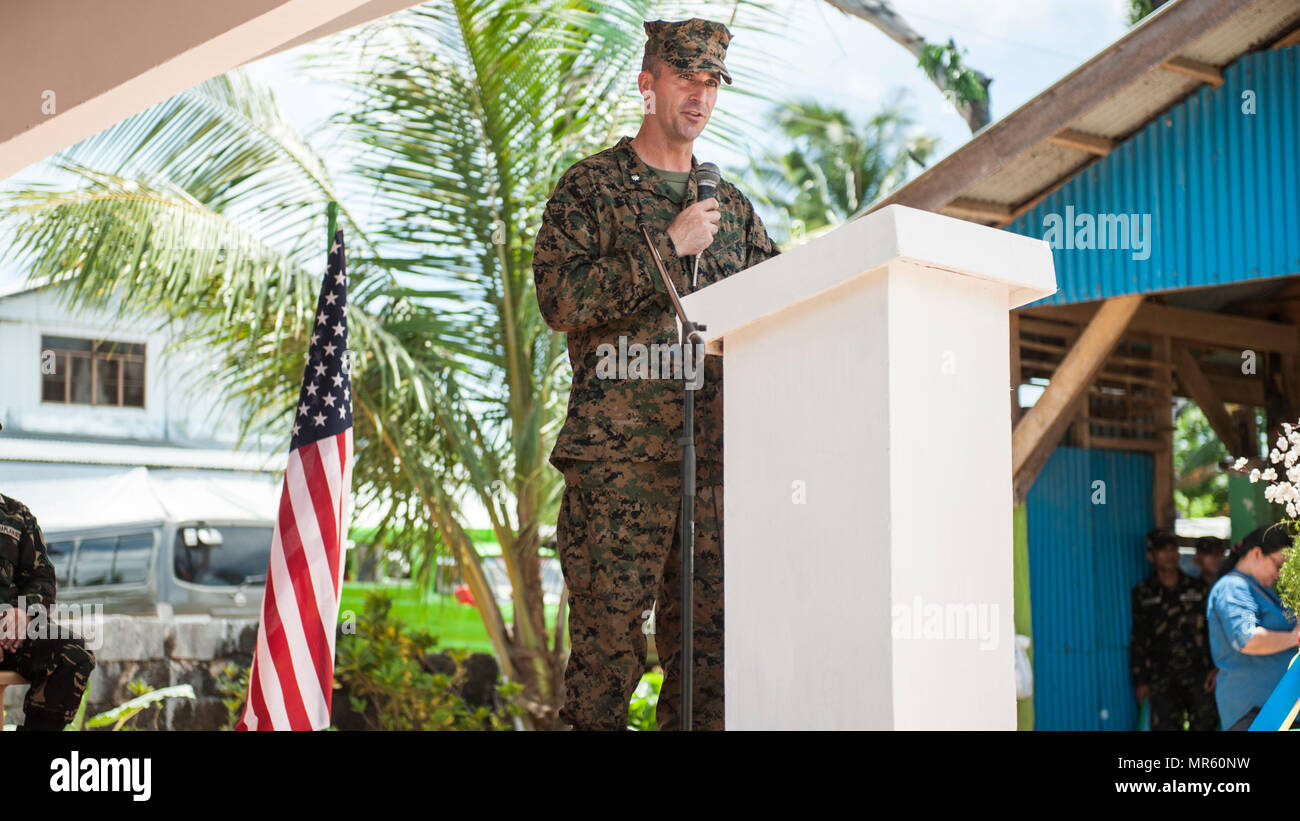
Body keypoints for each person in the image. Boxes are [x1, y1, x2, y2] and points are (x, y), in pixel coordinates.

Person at [532, 18, 781, 730]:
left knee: (710, 666)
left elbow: (781, 301)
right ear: (648, 84)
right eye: (685, 78)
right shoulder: (592, 189)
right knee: (607, 664)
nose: (700, 96)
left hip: (712, 473)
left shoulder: (730, 208)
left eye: (711, 82)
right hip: (619, 470)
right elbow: (560, 299)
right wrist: (667, 248)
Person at [0, 424, 96, 730]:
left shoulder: (17, 515)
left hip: (9, 635)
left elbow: (42, 578)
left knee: (74, 654)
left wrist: (23, 612)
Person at [1206, 524, 1300, 730]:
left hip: (1277, 709)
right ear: (1257, 553)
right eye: (1278, 565)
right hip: (1254, 714)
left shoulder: (1259, 590)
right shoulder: (1234, 588)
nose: (1280, 574)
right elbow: (1247, 638)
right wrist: (1296, 638)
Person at [1129, 528, 1218, 730]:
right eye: (1163, 550)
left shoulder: (1198, 589)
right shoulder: (1143, 593)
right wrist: (1140, 681)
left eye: (1173, 549)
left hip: (1199, 675)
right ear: (1151, 556)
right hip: (1161, 677)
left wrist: (1216, 668)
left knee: (1206, 725)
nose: (1170, 555)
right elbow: (1139, 638)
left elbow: (1212, 632)